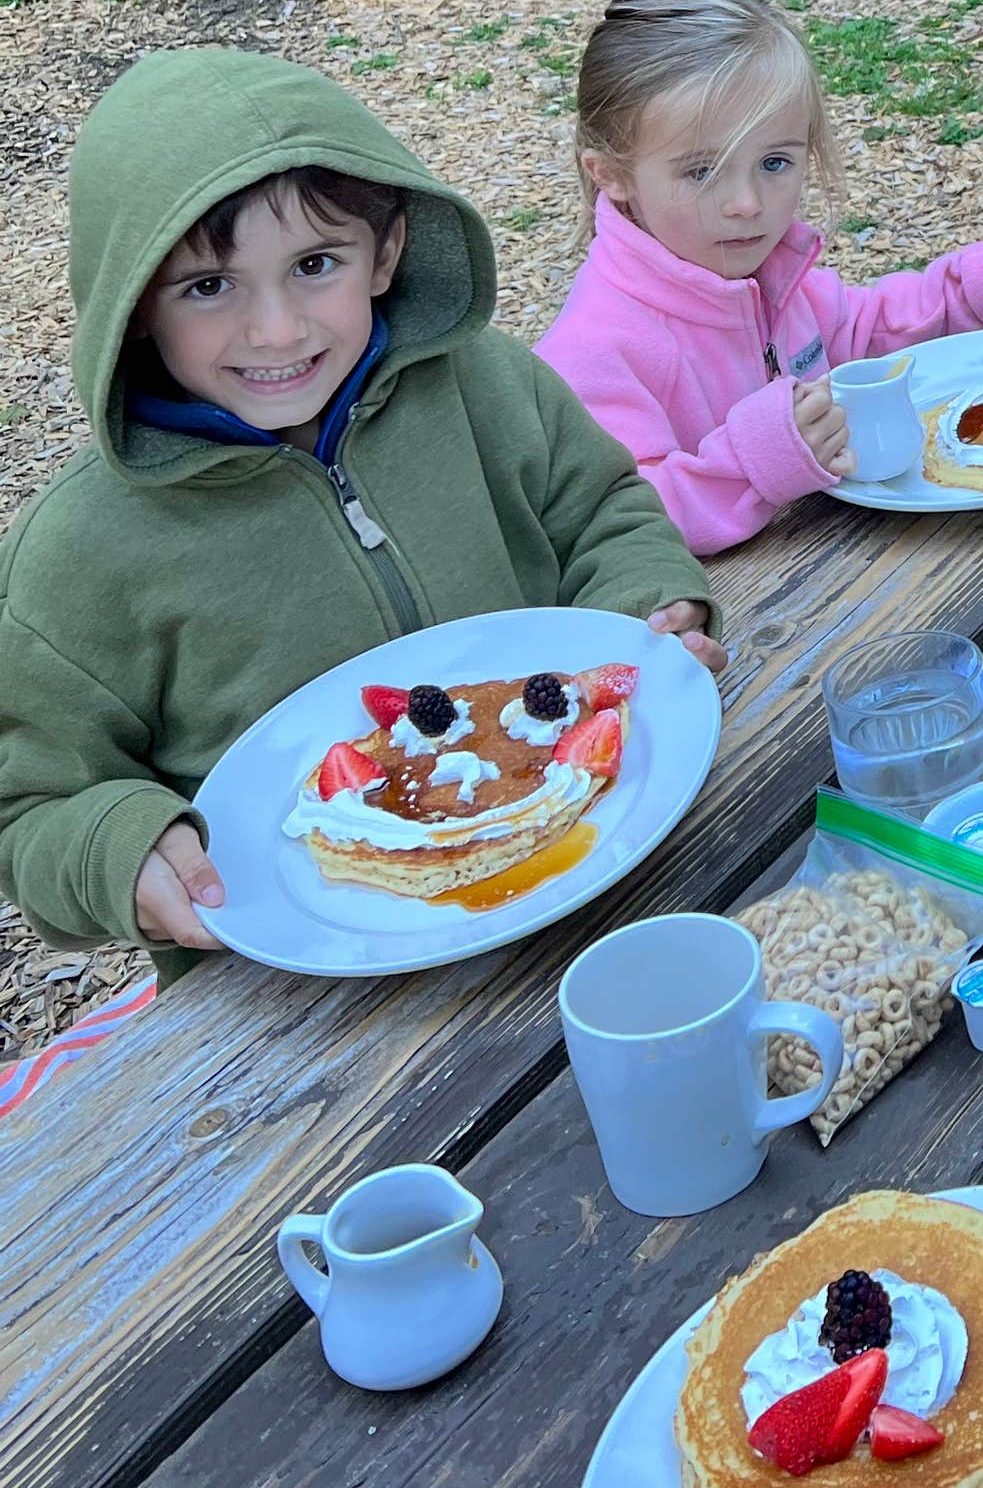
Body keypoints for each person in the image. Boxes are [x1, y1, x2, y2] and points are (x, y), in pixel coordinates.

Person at [0, 48, 722, 966]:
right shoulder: (77, 556)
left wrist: (648, 609)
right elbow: (28, 805)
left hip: (601, 857)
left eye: (314, 263)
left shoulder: (482, 385)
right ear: (134, 305)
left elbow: (602, 507)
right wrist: (122, 852)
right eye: (209, 286)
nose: (277, 329)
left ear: (385, 253)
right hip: (307, 996)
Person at [538, 0, 983, 555]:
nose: (747, 202)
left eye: (775, 163)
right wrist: (761, 458)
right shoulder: (596, 351)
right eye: (701, 172)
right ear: (611, 174)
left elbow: (867, 331)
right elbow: (615, 522)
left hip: (846, 561)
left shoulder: (767, 276)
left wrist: (978, 287)